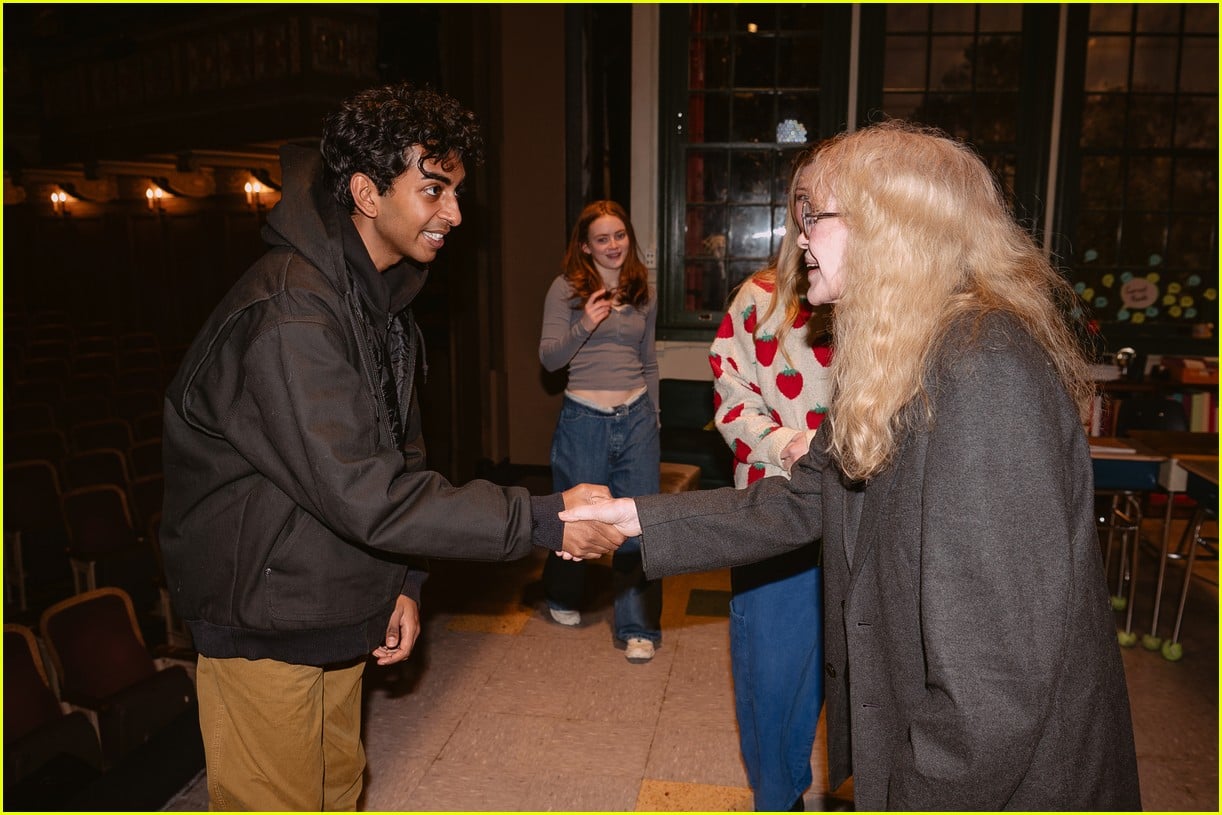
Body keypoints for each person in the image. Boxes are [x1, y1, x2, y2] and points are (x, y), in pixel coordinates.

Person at [560, 120, 1142, 811]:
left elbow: (992, 692)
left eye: (815, 216)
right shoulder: (903, 354)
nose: (799, 235)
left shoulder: (985, 368)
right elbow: (802, 497)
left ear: (892, 226)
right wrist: (630, 518)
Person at [160, 82, 622, 811]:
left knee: (339, 788)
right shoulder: (291, 312)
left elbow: (401, 454)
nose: (455, 214)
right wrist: (540, 516)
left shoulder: (380, 298)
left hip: (329, 590)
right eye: (433, 189)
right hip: (260, 610)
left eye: (457, 190)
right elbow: (364, 490)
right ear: (368, 193)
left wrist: (402, 581)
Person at [710, 153, 833, 812]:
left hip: (858, 509)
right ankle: (777, 796)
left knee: (843, 667)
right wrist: (785, 441)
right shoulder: (760, 297)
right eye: (805, 208)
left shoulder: (882, 309)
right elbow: (729, 390)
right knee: (773, 664)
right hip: (774, 503)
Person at [538, 200, 662, 663]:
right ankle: (564, 594)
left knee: (641, 523)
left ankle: (637, 625)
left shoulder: (641, 289)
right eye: (602, 238)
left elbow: (649, 361)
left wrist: (654, 413)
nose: (614, 245)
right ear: (586, 247)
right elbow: (550, 358)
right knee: (575, 518)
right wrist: (585, 323)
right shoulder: (565, 289)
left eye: (620, 235)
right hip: (583, 418)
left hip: (635, 417)